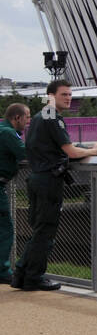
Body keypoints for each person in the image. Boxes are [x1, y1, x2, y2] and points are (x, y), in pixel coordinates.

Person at [12, 81, 97, 291]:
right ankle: (34, 278)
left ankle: (21, 274)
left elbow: (63, 146)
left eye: (70, 94)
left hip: (36, 178)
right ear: (50, 96)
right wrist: (94, 152)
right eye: (64, 94)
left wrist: (86, 147)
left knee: (39, 230)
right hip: (48, 181)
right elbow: (71, 153)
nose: (68, 98)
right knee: (45, 232)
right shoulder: (53, 118)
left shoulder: (39, 117)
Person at [0, 103, 31, 284]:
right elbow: (26, 154)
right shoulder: (8, 133)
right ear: (17, 118)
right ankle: (3, 271)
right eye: (27, 117)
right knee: (5, 228)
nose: (28, 121)